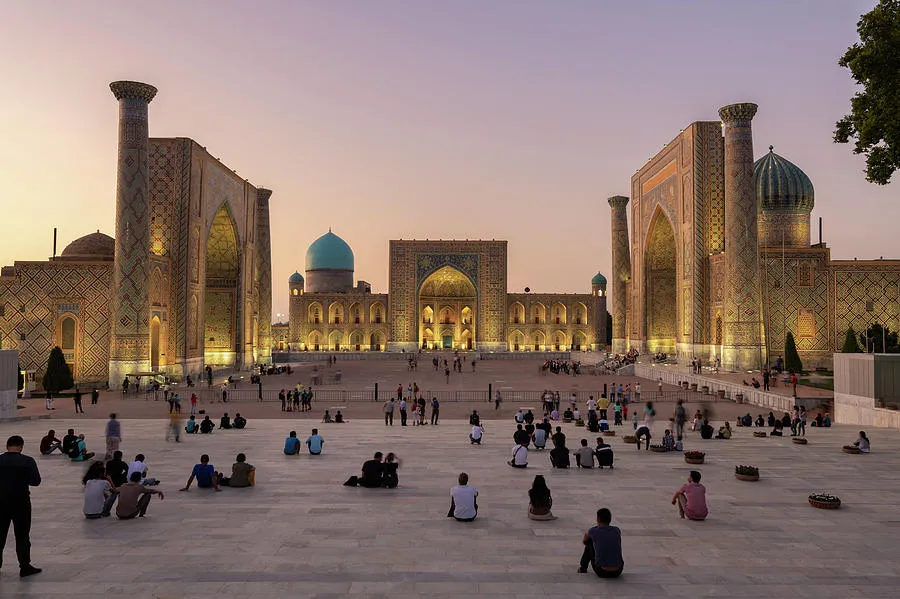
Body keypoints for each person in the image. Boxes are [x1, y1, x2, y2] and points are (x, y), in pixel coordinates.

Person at [0, 435, 42, 577]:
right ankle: (24, 566)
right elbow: (36, 481)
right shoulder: (27, 461)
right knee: (22, 535)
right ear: (21, 447)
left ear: (7, 446)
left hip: (1, 502)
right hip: (21, 502)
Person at [578, 508, 624, 578]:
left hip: (602, 571)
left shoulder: (593, 531)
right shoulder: (616, 530)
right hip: (618, 571)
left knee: (589, 543)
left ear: (598, 519)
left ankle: (583, 568)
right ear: (610, 519)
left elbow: (585, 541)